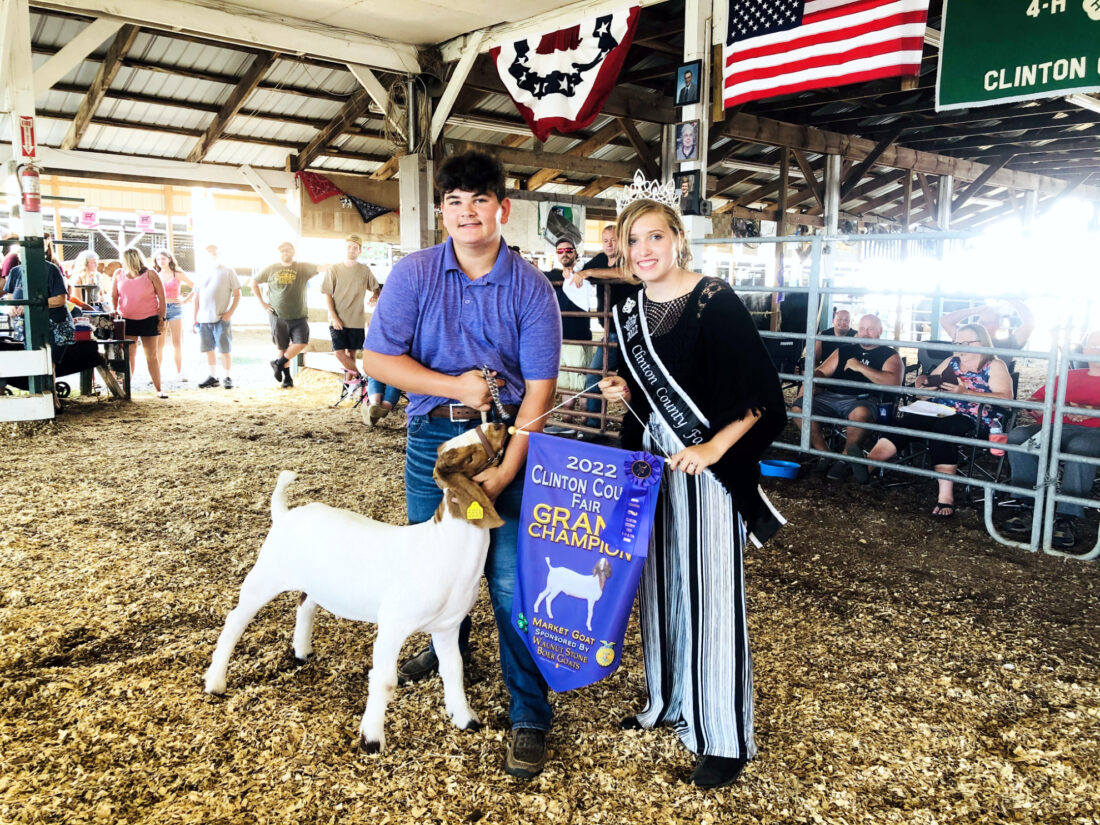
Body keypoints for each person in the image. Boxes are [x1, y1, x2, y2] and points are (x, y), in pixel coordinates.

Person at [363, 150, 561, 779]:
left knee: (507, 581)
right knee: (435, 560)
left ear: (501, 208)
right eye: (454, 200)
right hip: (433, 440)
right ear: (442, 210)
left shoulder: (531, 287)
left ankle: (529, 712)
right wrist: (456, 387)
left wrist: (505, 474)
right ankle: (450, 647)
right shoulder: (413, 275)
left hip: (506, 446)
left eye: (479, 199)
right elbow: (377, 361)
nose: (466, 211)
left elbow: (539, 393)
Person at [597, 198, 786, 789]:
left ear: (678, 239)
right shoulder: (627, 307)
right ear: (623, 250)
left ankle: (724, 736)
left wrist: (712, 450)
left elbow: (760, 394)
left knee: (709, 596)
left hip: (706, 469)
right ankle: (670, 704)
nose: (645, 250)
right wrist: (619, 390)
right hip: (652, 463)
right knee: (657, 588)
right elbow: (645, 392)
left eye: (656, 237)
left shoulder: (715, 300)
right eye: (634, 240)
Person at [866, 323, 1013, 518]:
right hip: (939, 408)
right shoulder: (952, 360)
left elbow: (1006, 399)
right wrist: (925, 386)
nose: (961, 347)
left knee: (943, 431)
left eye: (967, 342)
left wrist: (966, 393)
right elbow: (927, 380)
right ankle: (867, 464)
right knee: (907, 423)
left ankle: (946, 497)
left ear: (982, 343)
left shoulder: (994, 365)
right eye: (957, 342)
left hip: (975, 416)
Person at [1002, 330, 1100, 549]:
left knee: (1080, 447)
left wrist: (1092, 411)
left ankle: (1067, 516)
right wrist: (1057, 408)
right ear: (1084, 350)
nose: (1097, 352)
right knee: (1019, 435)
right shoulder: (1068, 376)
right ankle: (1027, 503)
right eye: (1094, 346)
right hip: (1055, 427)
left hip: (1095, 433)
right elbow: (1032, 403)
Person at [791, 314, 903, 482]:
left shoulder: (890, 354)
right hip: (832, 396)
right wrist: (810, 382)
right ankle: (824, 454)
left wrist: (860, 367)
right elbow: (822, 371)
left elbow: (893, 383)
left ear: (880, 331)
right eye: (863, 329)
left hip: (863, 399)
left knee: (860, 414)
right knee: (798, 408)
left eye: (871, 329)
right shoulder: (844, 350)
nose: (866, 333)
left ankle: (845, 458)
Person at [570, 225, 632, 429]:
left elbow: (625, 273)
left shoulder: (629, 257)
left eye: (613, 239)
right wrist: (570, 272)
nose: (609, 244)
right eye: (605, 240)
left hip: (633, 330)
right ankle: (594, 424)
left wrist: (589, 272)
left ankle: (633, 424)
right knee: (596, 375)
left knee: (633, 378)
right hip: (611, 331)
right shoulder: (599, 259)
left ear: (621, 240)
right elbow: (578, 273)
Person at [6, 250, 75, 411]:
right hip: (26, 326)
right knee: (35, 360)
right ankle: (43, 399)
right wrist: (12, 308)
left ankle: (52, 401)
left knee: (47, 361)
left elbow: (60, 299)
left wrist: (32, 304)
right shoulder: (15, 271)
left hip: (53, 324)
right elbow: (10, 295)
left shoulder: (51, 269)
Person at [250, 241, 319, 388]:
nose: (284, 253)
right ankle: (287, 380)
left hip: (299, 314)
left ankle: (278, 363)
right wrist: (262, 303)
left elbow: (320, 267)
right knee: (282, 347)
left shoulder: (302, 267)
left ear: (293, 252)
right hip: (277, 314)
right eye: (281, 251)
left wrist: (339, 264)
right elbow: (254, 282)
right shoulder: (271, 268)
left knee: (301, 342)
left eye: (287, 250)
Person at [544, 237, 593, 425]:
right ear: (556, 255)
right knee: (565, 384)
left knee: (582, 385)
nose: (565, 254)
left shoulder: (586, 274)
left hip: (579, 336)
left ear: (575, 253)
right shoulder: (550, 276)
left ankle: (587, 427)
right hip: (557, 338)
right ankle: (567, 424)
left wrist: (582, 274)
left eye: (568, 250)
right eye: (560, 251)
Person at [320, 234, 380, 385]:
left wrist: (375, 295)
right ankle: (361, 379)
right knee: (339, 353)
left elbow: (376, 288)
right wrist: (334, 317)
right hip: (337, 318)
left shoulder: (364, 270)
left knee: (351, 355)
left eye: (355, 248)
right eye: (349, 247)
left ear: (360, 251)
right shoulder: (334, 269)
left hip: (356, 319)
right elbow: (327, 294)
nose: (351, 250)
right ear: (344, 249)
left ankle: (348, 387)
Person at [111, 247, 168, 398]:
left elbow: (162, 298)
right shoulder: (118, 274)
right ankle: (127, 388)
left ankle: (158, 389)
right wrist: (114, 309)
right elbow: (114, 296)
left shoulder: (150, 274)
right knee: (129, 355)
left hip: (149, 319)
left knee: (151, 355)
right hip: (127, 319)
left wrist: (162, 318)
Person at [193, 245, 241, 389]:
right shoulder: (202, 272)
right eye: (208, 252)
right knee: (208, 349)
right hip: (203, 318)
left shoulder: (228, 270)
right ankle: (213, 377)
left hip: (221, 317)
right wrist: (194, 318)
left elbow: (237, 294)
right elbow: (197, 295)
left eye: (214, 251)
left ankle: (227, 376)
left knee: (224, 348)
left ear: (220, 253)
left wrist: (230, 312)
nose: (211, 254)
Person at [938, 300, 1035, 370]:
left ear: (998, 325)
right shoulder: (965, 339)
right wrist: (976, 310)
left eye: (988, 322)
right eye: (982, 322)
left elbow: (1029, 323)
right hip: (960, 385)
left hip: (990, 388)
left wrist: (1012, 299)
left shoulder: (1007, 344)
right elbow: (945, 320)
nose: (983, 326)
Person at [151, 248, 194, 383]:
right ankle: (157, 372)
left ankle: (180, 372)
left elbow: (195, 286)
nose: (161, 261)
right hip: (160, 310)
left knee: (177, 342)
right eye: (158, 259)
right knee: (160, 343)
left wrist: (185, 300)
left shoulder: (177, 274)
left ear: (169, 259)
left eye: (163, 258)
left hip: (175, 308)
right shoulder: (155, 274)